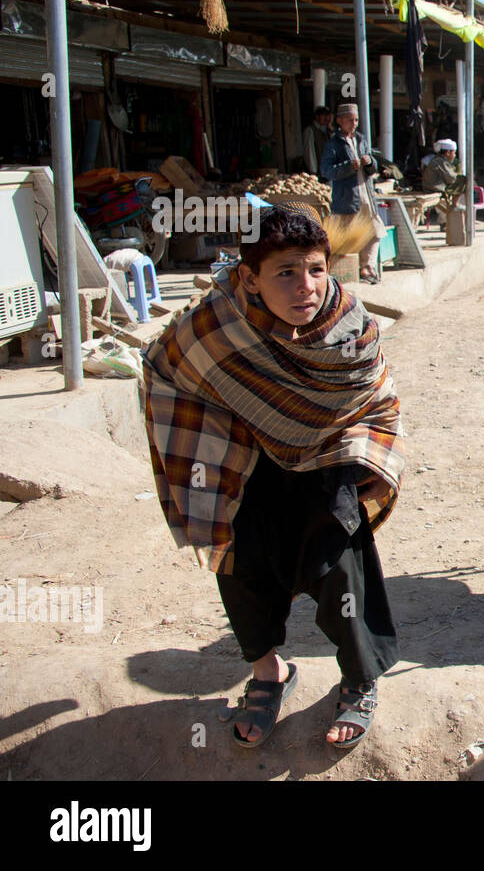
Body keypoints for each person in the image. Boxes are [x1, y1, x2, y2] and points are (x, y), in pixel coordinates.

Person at [142, 203, 405, 750]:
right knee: (240, 565)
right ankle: (269, 674)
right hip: (241, 464)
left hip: (324, 462)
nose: (305, 286)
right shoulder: (218, 321)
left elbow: (377, 401)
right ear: (249, 278)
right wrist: (211, 439)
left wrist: (377, 460)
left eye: (315, 269)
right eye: (285, 272)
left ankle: (360, 679)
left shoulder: (351, 328)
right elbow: (166, 365)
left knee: (340, 567)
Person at [321, 102, 382, 284]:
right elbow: (327, 171)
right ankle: (352, 270)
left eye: (356, 120)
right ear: (339, 121)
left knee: (375, 232)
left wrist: (370, 162)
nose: (353, 123)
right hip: (347, 197)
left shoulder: (361, 140)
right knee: (349, 235)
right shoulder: (333, 144)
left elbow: (374, 168)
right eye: (349, 120)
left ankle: (367, 267)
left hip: (366, 194)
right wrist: (349, 166)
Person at [303, 106, 332, 179]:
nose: (326, 118)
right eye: (324, 115)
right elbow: (309, 151)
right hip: (318, 173)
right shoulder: (310, 130)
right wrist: (313, 171)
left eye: (327, 115)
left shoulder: (328, 130)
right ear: (317, 116)